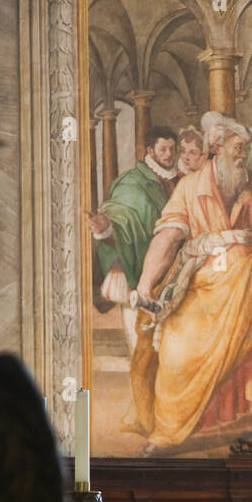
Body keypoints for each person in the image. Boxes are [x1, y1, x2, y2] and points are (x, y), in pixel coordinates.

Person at [130, 117, 252, 447]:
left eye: (245, 150)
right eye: (238, 149)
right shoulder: (190, 188)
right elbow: (169, 237)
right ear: (216, 149)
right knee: (176, 353)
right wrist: (145, 283)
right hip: (202, 289)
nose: (243, 156)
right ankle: (167, 432)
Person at [85, 125, 179, 359]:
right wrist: (106, 226)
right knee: (141, 348)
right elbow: (121, 213)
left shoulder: (180, 179)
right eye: (163, 149)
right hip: (139, 270)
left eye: (172, 149)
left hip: (174, 272)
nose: (169, 154)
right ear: (150, 150)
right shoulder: (133, 182)